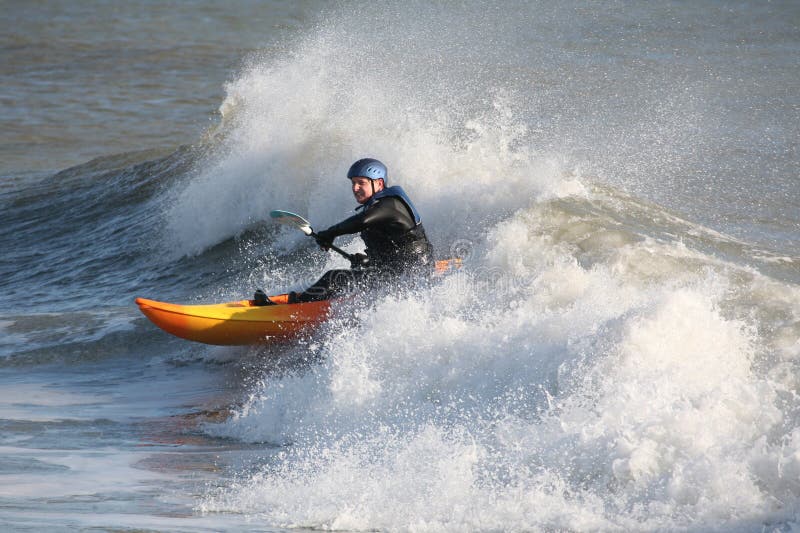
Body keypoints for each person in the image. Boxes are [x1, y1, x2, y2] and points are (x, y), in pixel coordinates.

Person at [254, 158, 433, 305]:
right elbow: (392, 247)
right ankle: (308, 302)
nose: (355, 188)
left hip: (412, 274)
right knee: (346, 276)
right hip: (396, 271)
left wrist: (331, 232)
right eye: (353, 183)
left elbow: (362, 222)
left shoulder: (390, 204)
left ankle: (293, 310)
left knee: (334, 278)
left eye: (361, 183)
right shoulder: (377, 207)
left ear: (378, 184)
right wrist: (369, 261)